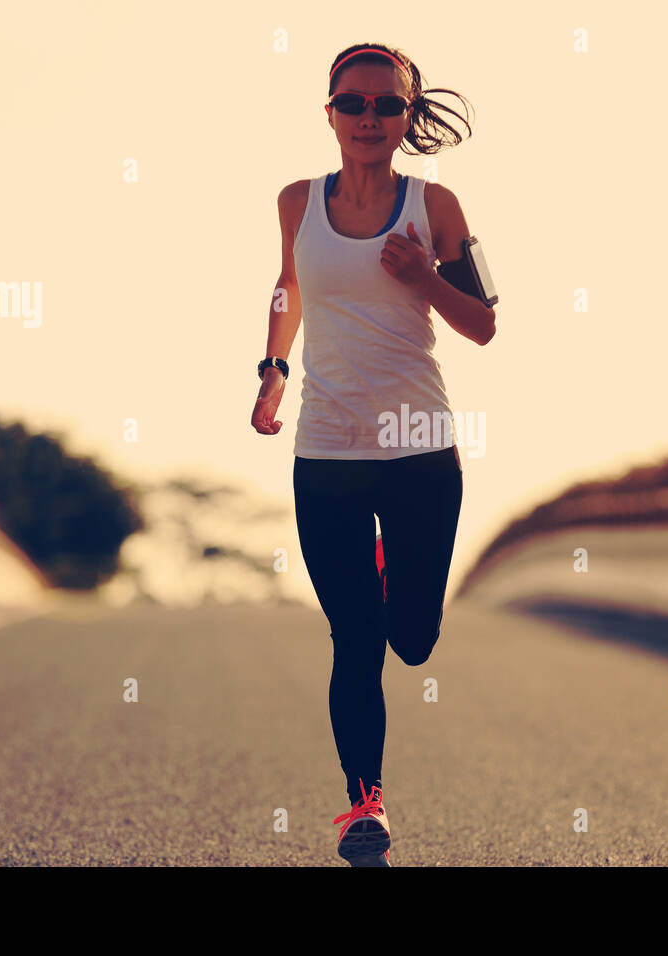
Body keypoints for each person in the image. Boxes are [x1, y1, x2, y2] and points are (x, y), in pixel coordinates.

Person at [250, 43, 496, 866]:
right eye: (351, 103)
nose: (368, 118)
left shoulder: (438, 206)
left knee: (413, 639)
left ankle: (397, 571)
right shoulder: (296, 201)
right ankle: (364, 806)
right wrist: (274, 372)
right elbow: (289, 287)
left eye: (385, 106)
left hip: (421, 447)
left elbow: (485, 322)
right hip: (327, 451)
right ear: (328, 112)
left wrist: (426, 277)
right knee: (354, 640)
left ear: (405, 118)